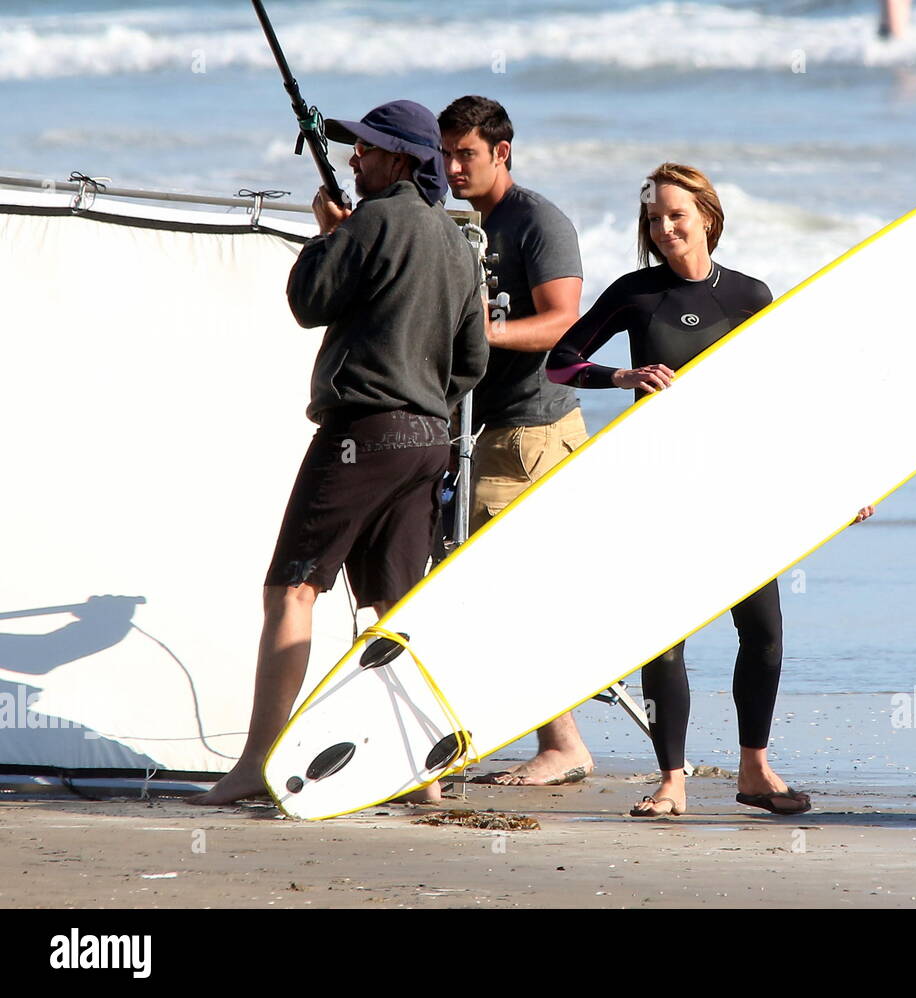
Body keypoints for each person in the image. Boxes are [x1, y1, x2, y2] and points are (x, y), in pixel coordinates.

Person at [546, 163, 874, 817]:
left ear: (707, 217)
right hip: (661, 487)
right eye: (655, 218)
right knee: (666, 634)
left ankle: (755, 770)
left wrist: (838, 481)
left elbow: (791, 400)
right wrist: (621, 377)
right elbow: (560, 360)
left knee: (763, 632)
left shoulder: (751, 295)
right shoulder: (635, 294)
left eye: (677, 215)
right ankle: (671, 781)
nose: (665, 228)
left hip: (739, 487)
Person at [191, 100, 488, 806]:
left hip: (362, 433)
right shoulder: (455, 241)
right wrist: (420, 393)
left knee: (293, 587)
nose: (355, 157)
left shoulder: (377, 220)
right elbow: (472, 360)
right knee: (390, 610)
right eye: (354, 146)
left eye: (369, 148)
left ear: (404, 159)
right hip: (426, 440)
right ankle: (422, 779)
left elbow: (308, 300)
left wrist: (328, 237)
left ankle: (256, 764)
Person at [438, 95, 596, 787]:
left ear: (502, 151)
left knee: (508, 589)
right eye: (444, 153)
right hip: (472, 430)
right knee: (471, 586)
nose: (451, 168)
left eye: (465, 154)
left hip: (532, 430)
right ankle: (489, 731)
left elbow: (563, 322)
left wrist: (485, 334)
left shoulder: (538, 220)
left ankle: (563, 744)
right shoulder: (460, 223)